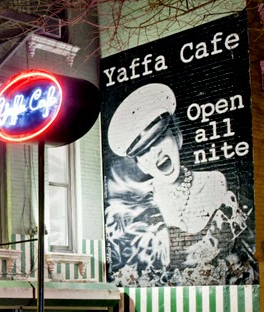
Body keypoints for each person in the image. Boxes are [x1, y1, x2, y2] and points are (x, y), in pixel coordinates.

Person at [104, 83, 255, 286]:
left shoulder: (217, 183)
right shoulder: (136, 209)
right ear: (141, 164)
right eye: (144, 151)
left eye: (159, 139)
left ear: (177, 135)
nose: (155, 153)